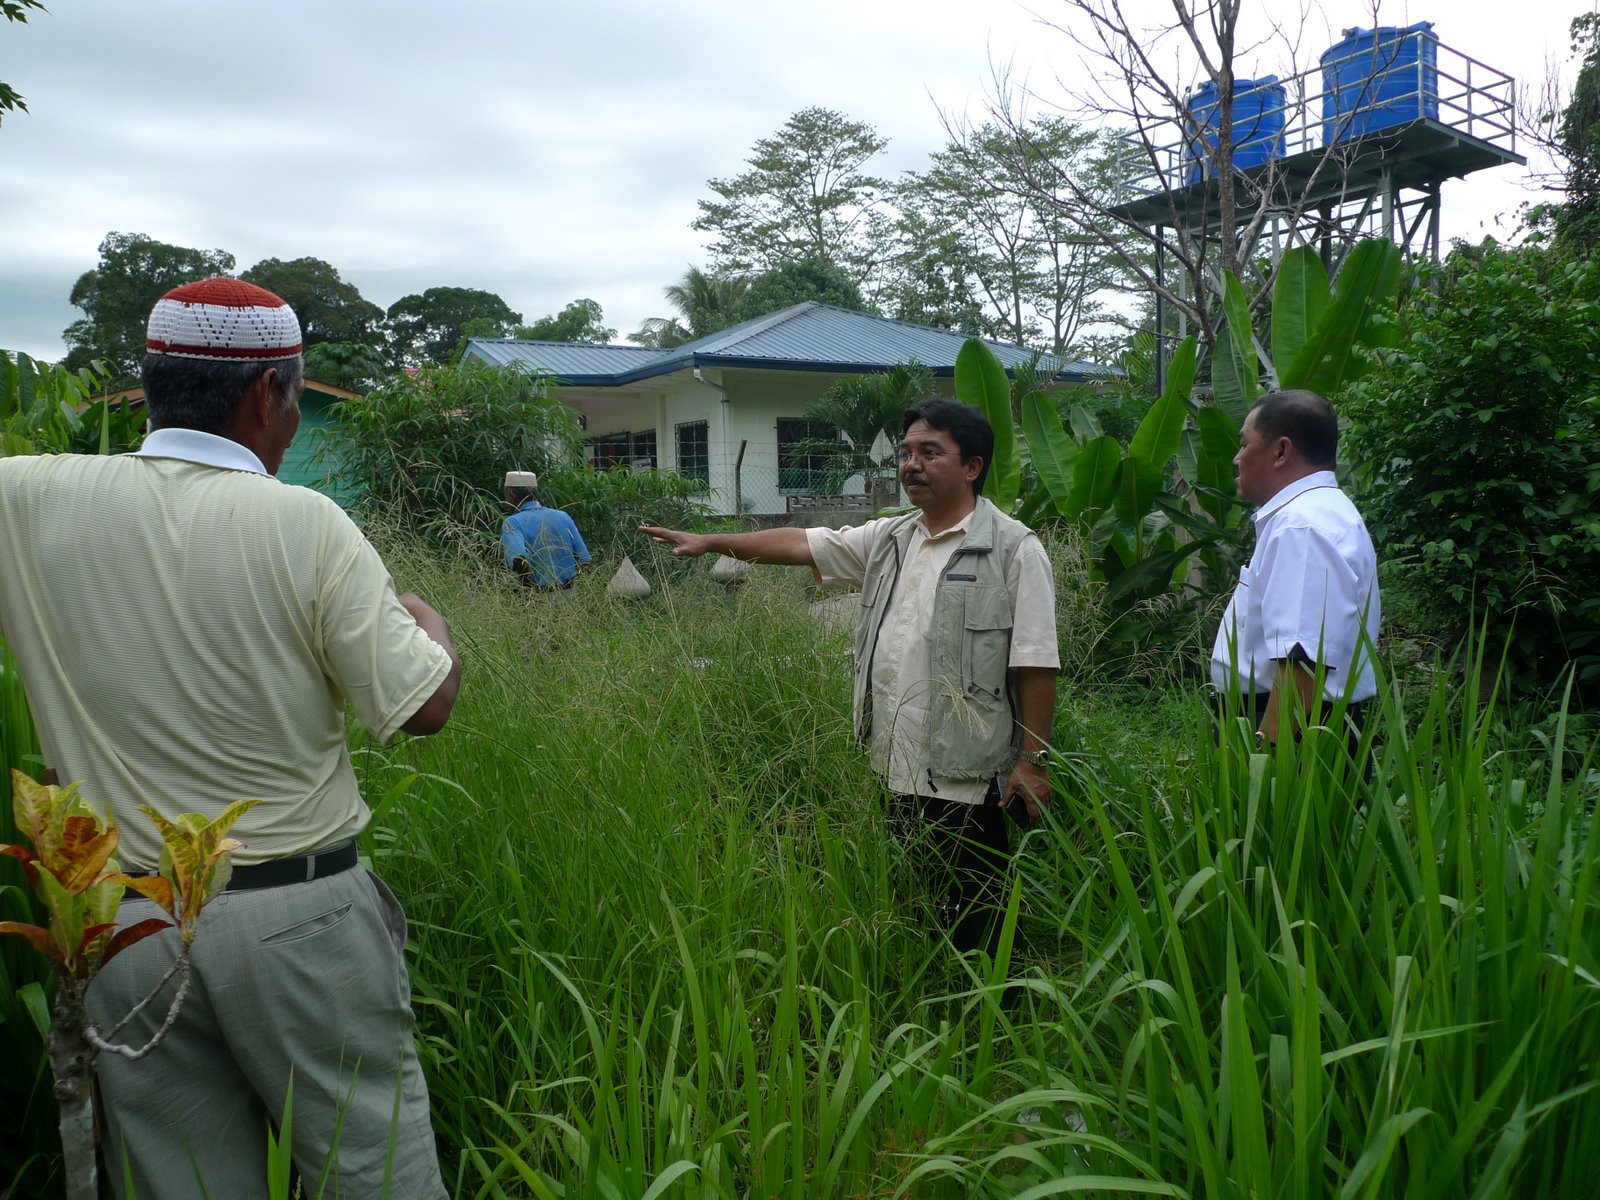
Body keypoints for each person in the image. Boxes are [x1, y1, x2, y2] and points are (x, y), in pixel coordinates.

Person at [0, 277, 462, 1199]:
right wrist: (433, 626)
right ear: (267, 393)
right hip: (298, 919)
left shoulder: (26, 496)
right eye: (295, 393)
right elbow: (423, 708)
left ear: (148, 388)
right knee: (369, 1168)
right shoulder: (307, 522)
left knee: (186, 1183)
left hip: (125, 926)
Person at [641, 399, 1058, 955]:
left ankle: (993, 1020)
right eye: (907, 452)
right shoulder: (891, 539)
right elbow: (801, 542)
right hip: (891, 762)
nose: (911, 464)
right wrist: (714, 542)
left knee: (978, 911)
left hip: (967, 770)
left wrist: (1032, 762)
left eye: (930, 452)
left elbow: (1035, 662)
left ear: (972, 467)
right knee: (917, 904)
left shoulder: (1014, 550)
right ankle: (927, 1003)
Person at [1210, 388, 1380, 747]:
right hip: (1307, 726)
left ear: (1282, 451)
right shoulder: (1317, 514)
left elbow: (1302, 662)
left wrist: (1264, 757)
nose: (1237, 458)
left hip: (1294, 735)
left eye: (1244, 444)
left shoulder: (1303, 525)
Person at [501, 470, 591, 589]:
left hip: (538, 597)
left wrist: (530, 594)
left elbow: (520, 561)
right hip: (570, 596)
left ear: (512, 496)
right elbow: (585, 561)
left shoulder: (512, 522)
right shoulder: (563, 516)